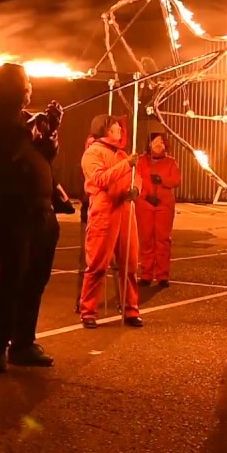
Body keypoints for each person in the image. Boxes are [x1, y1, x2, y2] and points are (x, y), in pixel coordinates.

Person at [0, 63, 62, 372]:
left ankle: (23, 343)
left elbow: (45, 156)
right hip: (13, 213)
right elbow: (9, 153)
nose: (30, 87)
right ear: (10, 87)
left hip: (42, 212)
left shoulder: (25, 120)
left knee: (36, 279)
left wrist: (51, 130)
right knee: (13, 278)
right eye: (25, 82)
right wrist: (33, 129)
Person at [78, 114, 143, 329]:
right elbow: (100, 179)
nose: (120, 131)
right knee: (98, 264)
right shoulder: (92, 153)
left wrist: (137, 189)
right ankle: (88, 310)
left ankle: (131, 308)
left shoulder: (123, 154)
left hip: (126, 209)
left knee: (130, 264)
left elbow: (137, 176)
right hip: (104, 210)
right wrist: (125, 165)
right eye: (116, 127)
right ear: (105, 129)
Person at [135, 131, 182, 286]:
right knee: (146, 239)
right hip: (145, 204)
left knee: (163, 239)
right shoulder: (141, 161)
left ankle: (162, 275)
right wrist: (145, 196)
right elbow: (137, 179)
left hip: (164, 205)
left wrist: (162, 180)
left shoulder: (171, 162)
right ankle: (147, 274)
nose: (158, 144)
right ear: (149, 145)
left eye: (161, 142)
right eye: (155, 142)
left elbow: (176, 180)